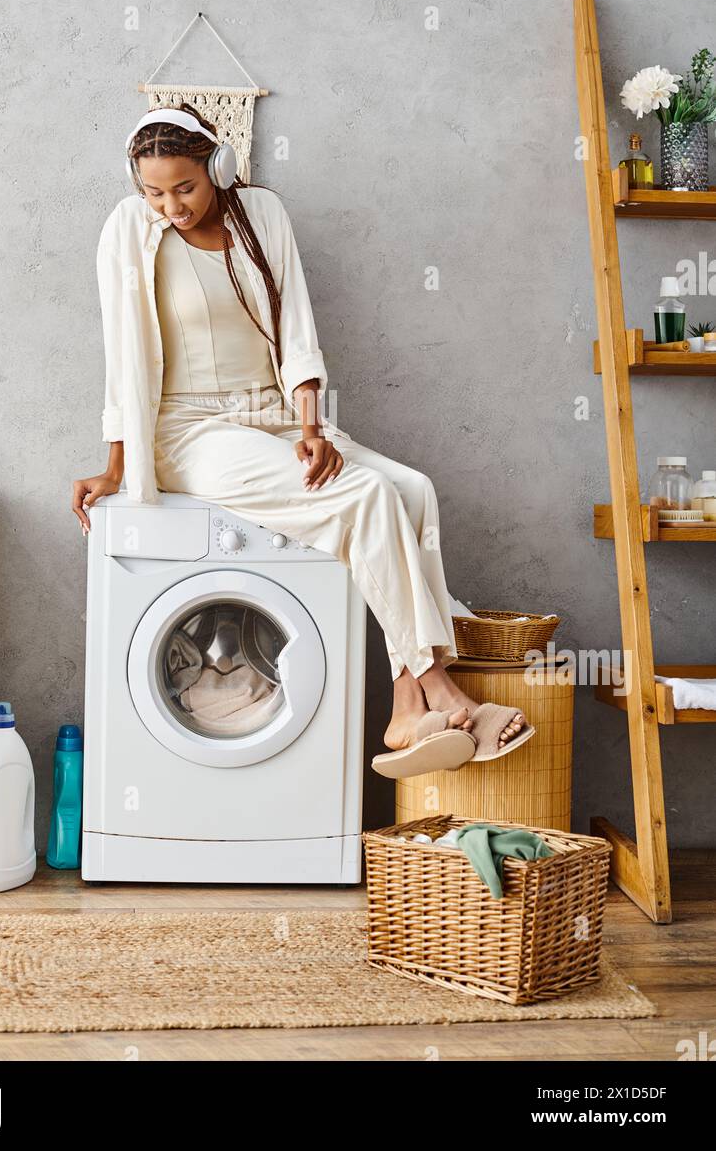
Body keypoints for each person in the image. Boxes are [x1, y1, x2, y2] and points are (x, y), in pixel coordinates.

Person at [73, 106, 533, 775]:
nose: (170, 206)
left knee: (413, 491)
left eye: (185, 188)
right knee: (367, 495)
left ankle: (408, 697)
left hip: (275, 415)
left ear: (218, 168)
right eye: (154, 192)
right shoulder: (127, 232)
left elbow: (297, 332)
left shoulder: (262, 216)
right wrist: (117, 463)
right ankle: (433, 687)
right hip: (189, 431)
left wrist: (313, 425)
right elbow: (123, 358)